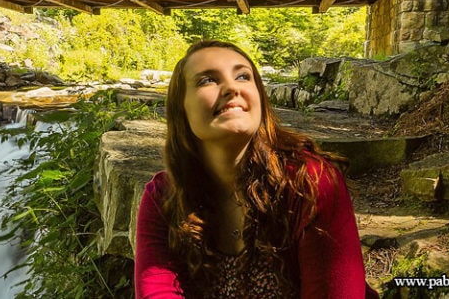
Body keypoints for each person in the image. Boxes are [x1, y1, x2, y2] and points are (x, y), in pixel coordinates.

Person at [135, 40, 378, 298]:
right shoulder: (163, 197)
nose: (231, 87)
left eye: (242, 76)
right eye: (207, 80)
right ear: (180, 109)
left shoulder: (311, 182)